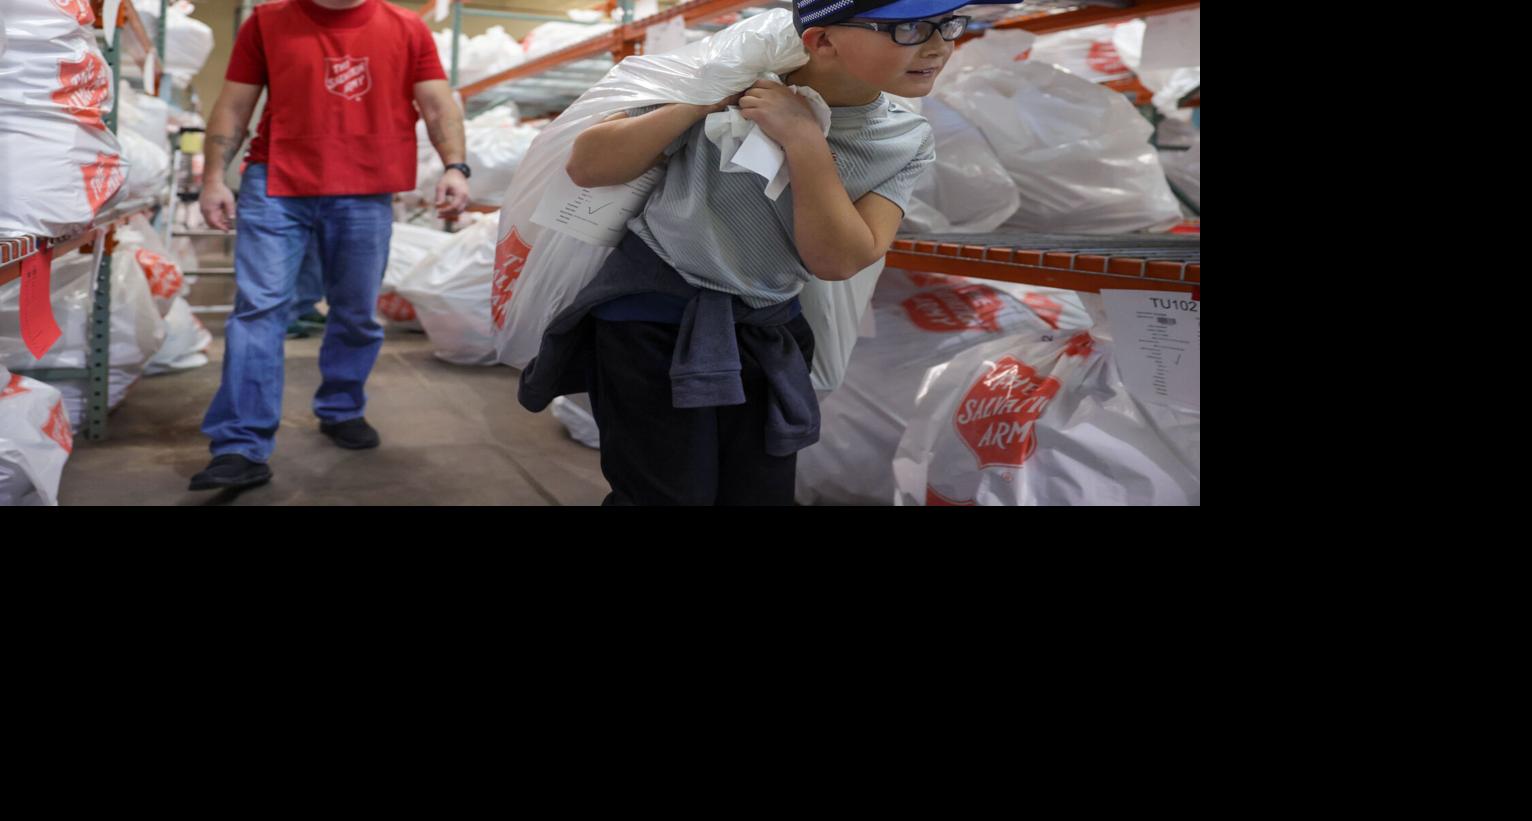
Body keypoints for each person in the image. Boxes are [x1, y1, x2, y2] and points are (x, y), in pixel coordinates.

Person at [518, 0, 1018, 505]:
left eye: (949, 25)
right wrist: (703, 101)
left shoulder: (904, 138)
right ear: (822, 41)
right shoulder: (735, 84)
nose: (938, 46)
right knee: (666, 494)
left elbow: (841, 259)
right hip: (650, 323)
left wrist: (803, 140)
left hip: (768, 332)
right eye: (909, 28)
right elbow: (589, 166)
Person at [189, 0, 471, 491]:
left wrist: (455, 166)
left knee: (356, 311)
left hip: (366, 189)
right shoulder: (268, 21)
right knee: (259, 309)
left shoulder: (407, 28)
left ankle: (341, 407)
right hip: (275, 183)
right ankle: (239, 444)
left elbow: (437, 103)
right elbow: (235, 103)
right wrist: (213, 179)